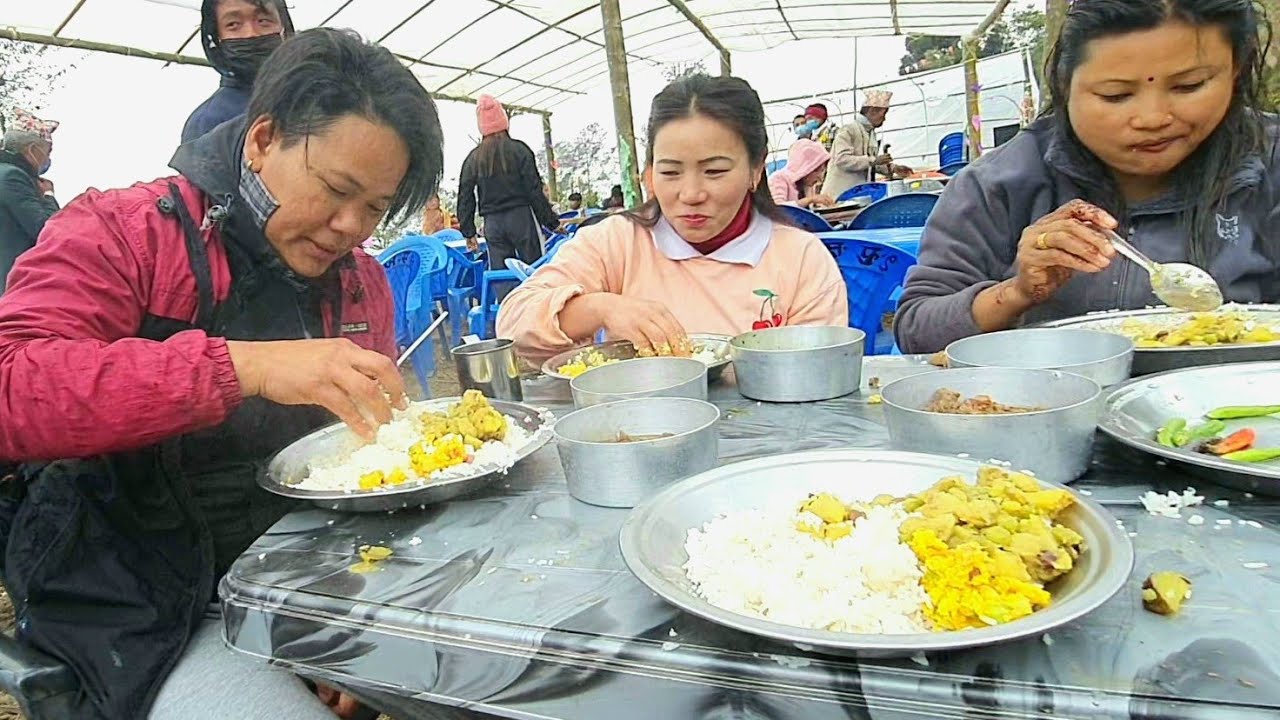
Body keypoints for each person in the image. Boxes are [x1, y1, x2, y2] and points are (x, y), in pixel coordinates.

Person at [0, 28, 443, 720]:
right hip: (133, 592)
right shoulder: (127, 232)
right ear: (262, 140)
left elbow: (371, 466)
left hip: (297, 575)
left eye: (376, 209)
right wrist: (242, 365)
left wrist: (367, 619)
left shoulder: (360, 287)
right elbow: (12, 386)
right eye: (335, 189)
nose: (348, 227)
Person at [895, 0, 1280, 354]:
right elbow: (917, 330)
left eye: (1189, 86)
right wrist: (1016, 291)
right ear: (1065, 85)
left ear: (1236, 70)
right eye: (1115, 95)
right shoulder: (998, 183)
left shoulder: (1271, 161)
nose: (1152, 119)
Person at [496, 74, 848, 361]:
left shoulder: (801, 259)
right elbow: (513, 325)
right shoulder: (618, 242)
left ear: (756, 169)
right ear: (649, 173)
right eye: (670, 172)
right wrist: (599, 308)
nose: (691, 193)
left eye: (714, 171)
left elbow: (820, 377)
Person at [457, 95, 558, 270]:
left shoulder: (474, 158)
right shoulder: (520, 150)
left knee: (501, 275)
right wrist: (552, 222)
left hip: (493, 223)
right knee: (535, 270)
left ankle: (506, 298)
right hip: (521, 218)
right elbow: (534, 191)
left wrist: (469, 231)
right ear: (504, 122)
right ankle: (537, 298)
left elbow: (465, 196)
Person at [181, 0, 296, 144]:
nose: (251, 34)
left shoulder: (320, 96)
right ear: (215, 38)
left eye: (263, 21)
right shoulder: (209, 122)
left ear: (285, 29)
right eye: (233, 25)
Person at [0, 112, 58, 294]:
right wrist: (48, 196)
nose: (47, 159)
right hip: (11, 287)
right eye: (47, 152)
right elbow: (47, 231)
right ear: (32, 149)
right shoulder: (12, 177)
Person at [821, 90, 913, 199]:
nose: (884, 119)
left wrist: (893, 168)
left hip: (858, 194)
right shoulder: (848, 130)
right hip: (839, 195)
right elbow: (842, 160)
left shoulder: (870, 133)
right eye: (883, 114)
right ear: (872, 111)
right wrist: (873, 160)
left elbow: (868, 164)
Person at [768, 138, 834, 208]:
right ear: (804, 167)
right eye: (816, 171)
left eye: (822, 171)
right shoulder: (778, 179)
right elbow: (778, 208)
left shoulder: (806, 185)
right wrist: (809, 200)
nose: (820, 177)